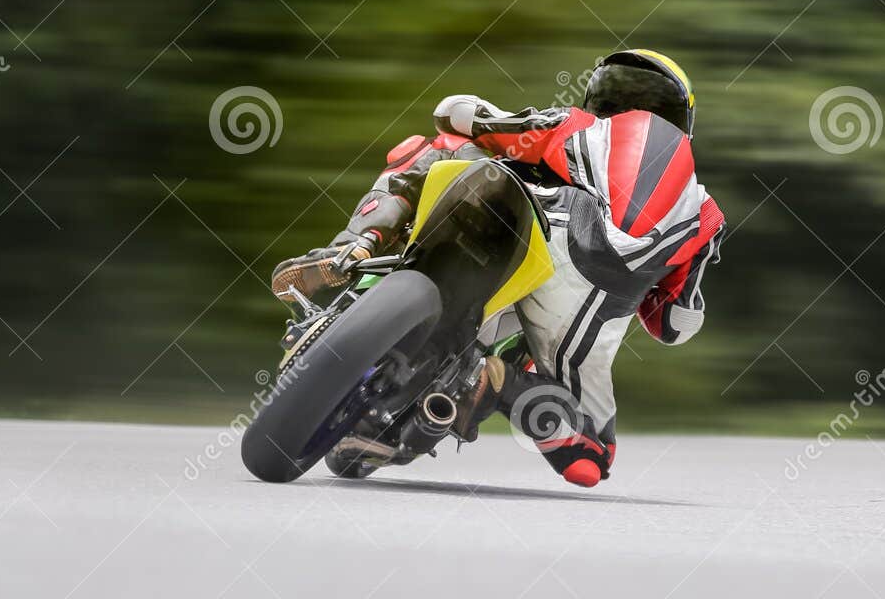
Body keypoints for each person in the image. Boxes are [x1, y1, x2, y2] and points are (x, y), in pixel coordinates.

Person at [270, 49, 724, 488]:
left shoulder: (577, 125)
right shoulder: (706, 215)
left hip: (537, 229)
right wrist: (648, 279)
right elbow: (673, 324)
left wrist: (478, 120)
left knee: (441, 148)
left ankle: (353, 247)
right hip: (586, 317)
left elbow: (458, 115)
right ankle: (491, 382)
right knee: (591, 456)